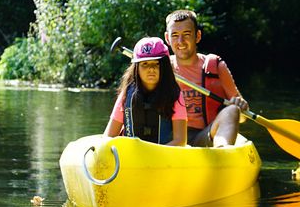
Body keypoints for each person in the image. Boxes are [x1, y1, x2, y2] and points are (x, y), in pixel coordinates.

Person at [164, 10, 248, 147]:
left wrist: (241, 107)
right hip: (169, 139)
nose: (181, 41)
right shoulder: (160, 67)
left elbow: (243, 117)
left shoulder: (215, 66)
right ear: (167, 38)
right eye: (175, 35)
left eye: (186, 34)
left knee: (232, 110)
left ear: (197, 36)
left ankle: (223, 152)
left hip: (203, 136)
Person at [104, 36, 187, 146]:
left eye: (156, 64)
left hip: (163, 156)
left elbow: (180, 141)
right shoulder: (126, 95)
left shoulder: (175, 95)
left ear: (165, 66)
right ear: (136, 68)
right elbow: (109, 136)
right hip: (131, 155)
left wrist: (151, 156)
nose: (151, 69)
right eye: (145, 64)